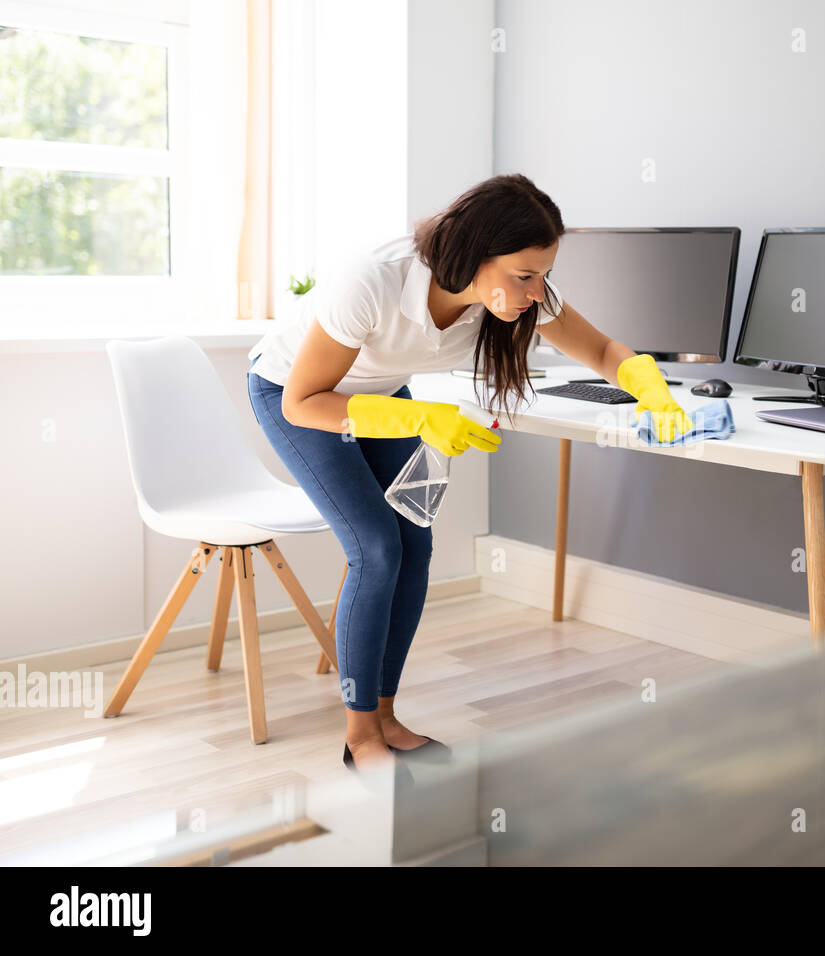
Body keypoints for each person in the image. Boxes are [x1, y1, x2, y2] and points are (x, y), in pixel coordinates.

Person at [245, 173, 692, 771]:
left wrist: (651, 391)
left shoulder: (515, 293)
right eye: (524, 275)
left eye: (545, 276)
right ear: (475, 253)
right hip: (295, 394)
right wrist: (424, 418)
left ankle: (386, 714)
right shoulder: (372, 282)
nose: (537, 292)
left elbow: (605, 352)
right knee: (376, 549)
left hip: (380, 393)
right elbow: (305, 401)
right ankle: (359, 736)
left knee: (414, 545)